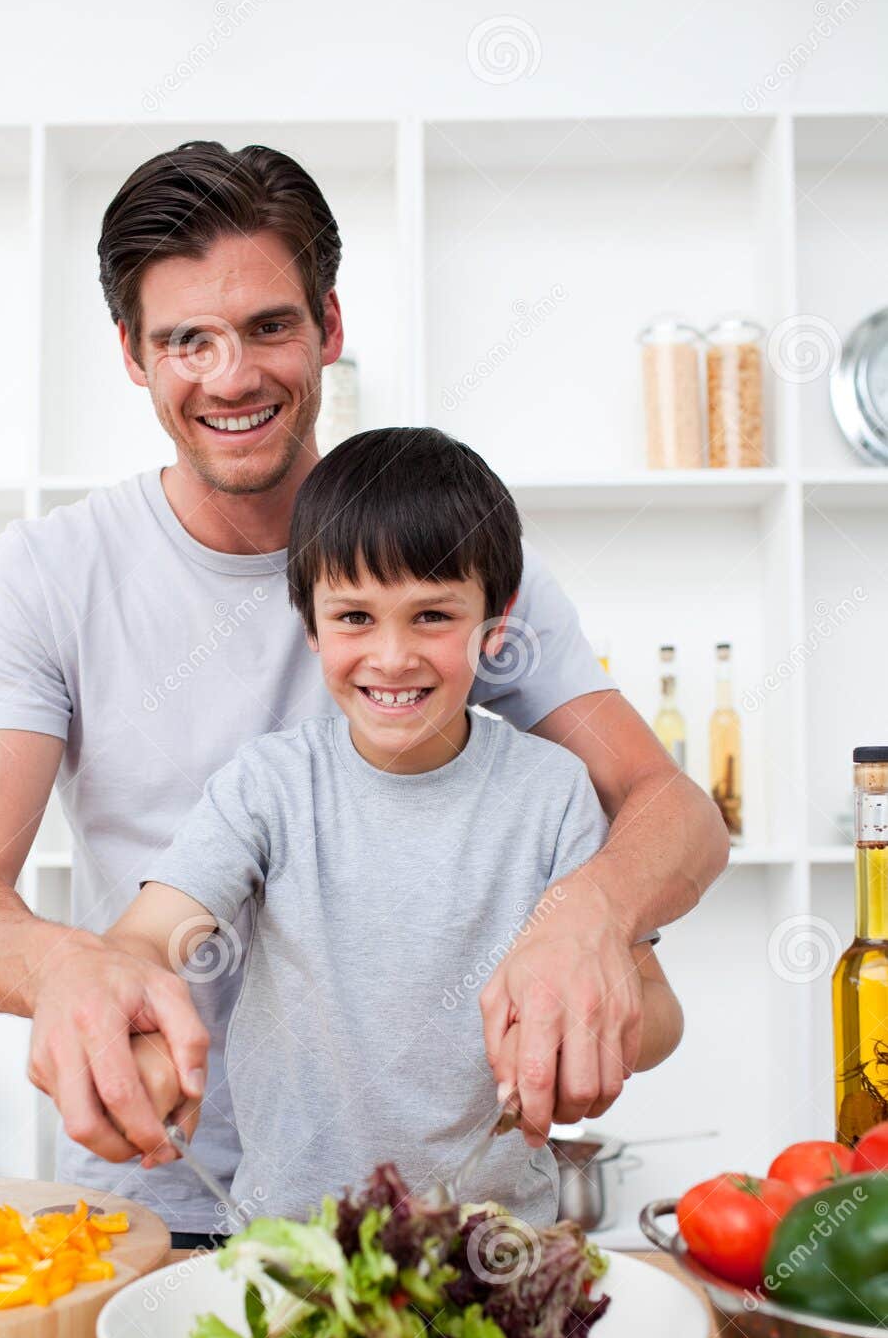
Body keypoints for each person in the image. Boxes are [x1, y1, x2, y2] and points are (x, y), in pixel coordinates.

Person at [0, 139, 726, 1248]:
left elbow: (669, 807)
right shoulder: (48, 574)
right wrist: (72, 969)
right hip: (162, 1198)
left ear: (329, 329)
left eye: (268, 327)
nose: (231, 375)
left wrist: (589, 920)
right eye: (184, 339)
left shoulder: (450, 557)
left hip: (453, 1215)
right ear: (132, 356)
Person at [104, 426, 683, 1227]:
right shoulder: (269, 787)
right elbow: (147, 937)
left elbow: (657, 1014)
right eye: (353, 618)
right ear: (308, 622)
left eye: (432, 615)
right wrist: (131, 1024)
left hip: (498, 1250)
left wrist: (592, 1030)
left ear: (497, 622)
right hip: (291, 1254)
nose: (391, 656)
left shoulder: (553, 795)